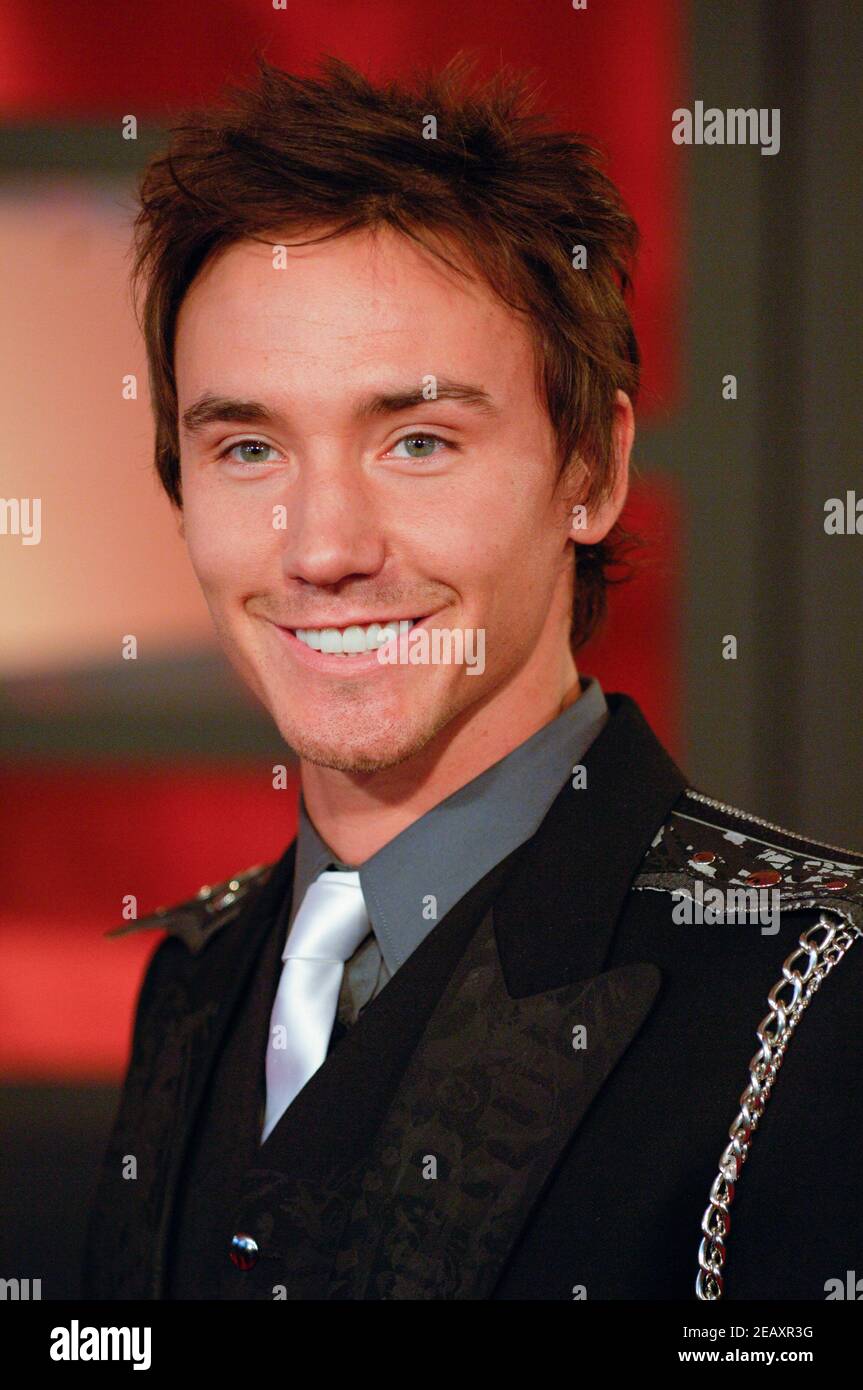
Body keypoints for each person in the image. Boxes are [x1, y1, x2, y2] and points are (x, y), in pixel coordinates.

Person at [82, 55, 863, 1302]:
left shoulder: (821, 999)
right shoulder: (197, 978)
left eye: (418, 440)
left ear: (591, 473)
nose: (323, 546)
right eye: (245, 445)